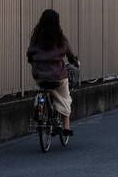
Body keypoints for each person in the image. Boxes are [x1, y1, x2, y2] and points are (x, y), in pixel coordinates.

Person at [27, 9, 79, 137]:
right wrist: (75, 62)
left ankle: (41, 112)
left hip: (40, 76)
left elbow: (29, 54)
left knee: (44, 88)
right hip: (57, 77)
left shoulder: (36, 38)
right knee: (66, 97)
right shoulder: (60, 38)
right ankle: (66, 128)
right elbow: (69, 54)